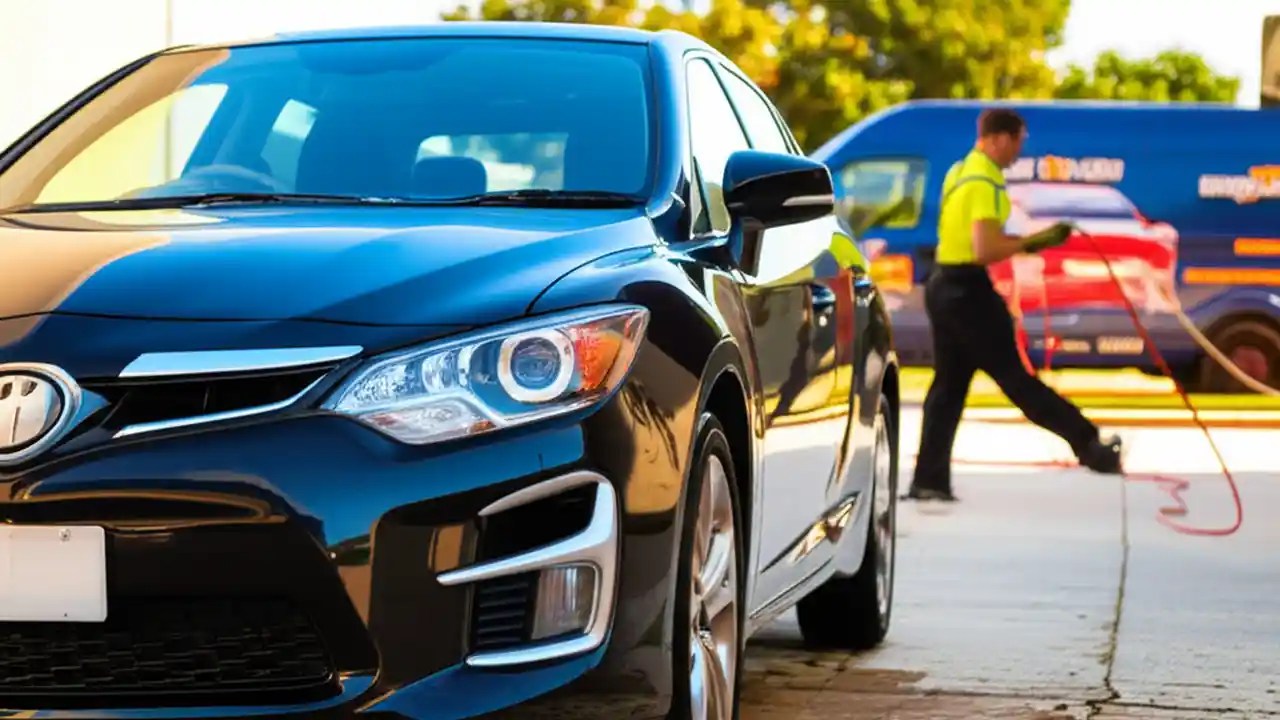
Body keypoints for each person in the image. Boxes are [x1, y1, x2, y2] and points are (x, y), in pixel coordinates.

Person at [904, 107, 1123, 503]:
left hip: (943, 286)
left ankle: (929, 480)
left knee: (948, 389)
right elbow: (985, 247)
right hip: (968, 292)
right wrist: (1035, 242)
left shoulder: (959, 171)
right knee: (1016, 380)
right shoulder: (985, 181)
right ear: (999, 138)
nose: (1018, 152)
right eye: (1018, 142)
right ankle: (1090, 444)